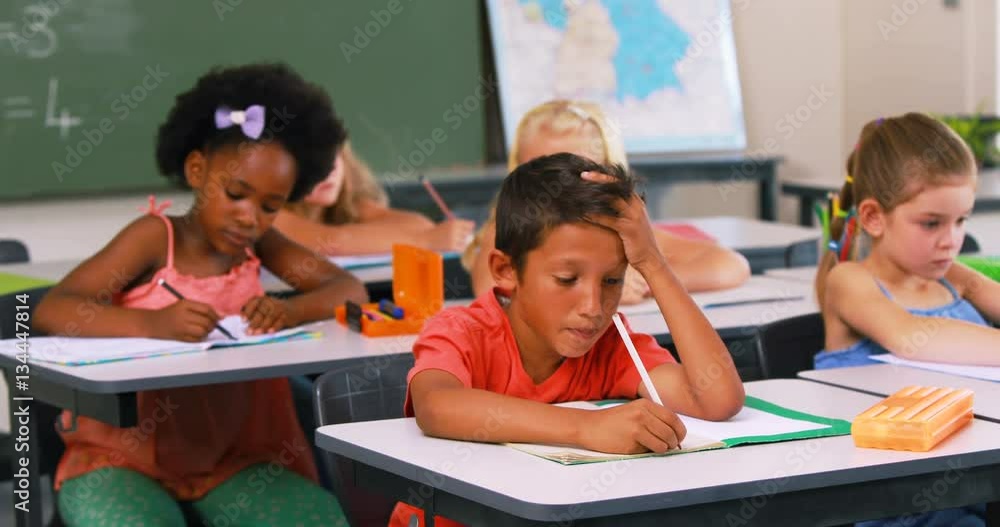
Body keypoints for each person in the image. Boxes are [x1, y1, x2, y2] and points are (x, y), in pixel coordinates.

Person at [34, 63, 366, 526]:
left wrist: (289, 311)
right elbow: (54, 310)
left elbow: (348, 289)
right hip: (123, 458)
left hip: (236, 460)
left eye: (270, 206)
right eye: (236, 194)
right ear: (196, 170)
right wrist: (153, 325)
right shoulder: (154, 237)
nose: (250, 217)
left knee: (318, 518)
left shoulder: (259, 245)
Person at [391, 153, 746, 527]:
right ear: (506, 270)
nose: (593, 307)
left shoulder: (611, 344)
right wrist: (586, 427)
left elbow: (718, 398)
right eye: (566, 279)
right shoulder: (463, 331)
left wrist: (652, 261)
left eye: (612, 281)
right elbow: (436, 406)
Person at [814, 112, 1000, 527]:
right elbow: (910, 336)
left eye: (961, 220)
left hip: (966, 489)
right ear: (875, 217)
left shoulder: (951, 275)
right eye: (931, 223)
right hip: (888, 506)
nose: (951, 239)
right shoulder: (850, 281)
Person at [463, 100, 750, 304]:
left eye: (569, 173)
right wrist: (600, 287)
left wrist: (648, 282)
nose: (552, 190)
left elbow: (730, 265)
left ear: (606, 174)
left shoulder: (619, 231)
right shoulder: (507, 231)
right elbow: (489, 290)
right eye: (537, 172)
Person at [275, 141, 475, 254]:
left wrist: (427, 236)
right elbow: (332, 241)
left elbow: (419, 225)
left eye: (331, 155)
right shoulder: (272, 216)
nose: (327, 170)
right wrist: (425, 241)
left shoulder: (348, 206)